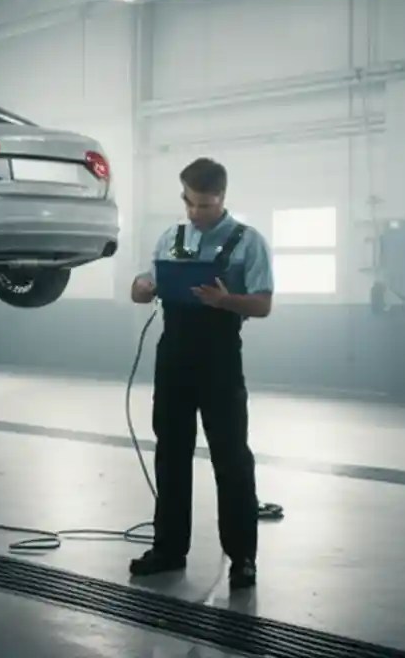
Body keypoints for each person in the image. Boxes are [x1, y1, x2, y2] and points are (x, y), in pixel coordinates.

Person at [128, 157, 273, 589]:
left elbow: (264, 304)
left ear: (222, 198)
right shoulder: (171, 237)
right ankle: (169, 549)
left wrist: (225, 301)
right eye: (189, 203)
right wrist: (140, 287)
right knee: (171, 454)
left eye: (204, 205)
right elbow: (141, 288)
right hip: (173, 355)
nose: (195, 213)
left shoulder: (249, 242)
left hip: (220, 359)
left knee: (231, 457)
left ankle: (242, 558)